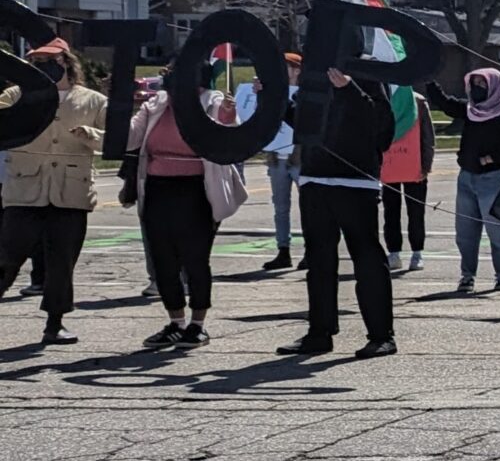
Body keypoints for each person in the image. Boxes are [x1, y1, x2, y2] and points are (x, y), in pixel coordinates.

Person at [279, 68, 398, 358]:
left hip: (355, 182)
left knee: (367, 257)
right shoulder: (313, 76)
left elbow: (381, 126)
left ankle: (382, 335)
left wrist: (349, 89)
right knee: (318, 260)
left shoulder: (366, 73)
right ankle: (320, 332)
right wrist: (277, 99)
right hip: (314, 179)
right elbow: (302, 122)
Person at [125, 65, 240, 350]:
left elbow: (229, 131)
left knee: (195, 259)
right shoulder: (157, 104)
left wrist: (227, 112)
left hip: (196, 189)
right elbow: (132, 136)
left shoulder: (210, 100)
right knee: (163, 259)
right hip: (158, 187)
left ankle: (197, 324)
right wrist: (115, 111)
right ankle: (175, 321)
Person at [0, 40, 107, 345]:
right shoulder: (16, 96)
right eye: (35, 62)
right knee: (7, 257)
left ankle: (55, 322)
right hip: (25, 189)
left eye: (49, 61)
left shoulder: (93, 100)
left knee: (62, 263)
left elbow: (117, 140)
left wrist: (92, 136)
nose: (42, 67)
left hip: (71, 192)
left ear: (66, 63)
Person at [422, 68, 500, 292]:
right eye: (474, 83)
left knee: (497, 232)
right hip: (467, 178)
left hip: (494, 179)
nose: (477, 88)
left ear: (494, 87)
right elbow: (445, 103)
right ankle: (467, 276)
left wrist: (492, 158)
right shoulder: (470, 111)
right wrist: (429, 81)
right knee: (465, 233)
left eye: (482, 84)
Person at [232, 52, 300, 271]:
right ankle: (283, 249)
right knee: (280, 207)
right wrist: (258, 95)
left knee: (310, 208)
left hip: (299, 157)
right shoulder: (271, 91)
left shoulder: (304, 93)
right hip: (276, 157)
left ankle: (312, 251)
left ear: (297, 70)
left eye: (286, 67)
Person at [379, 88, 431, 272]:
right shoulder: (382, 99)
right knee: (390, 211)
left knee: (416, 211)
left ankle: (417, 252)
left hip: (414, 165)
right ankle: (394, 252)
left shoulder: (418, 101)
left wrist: (426, 165)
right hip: (390, 164)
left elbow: (427, 134)